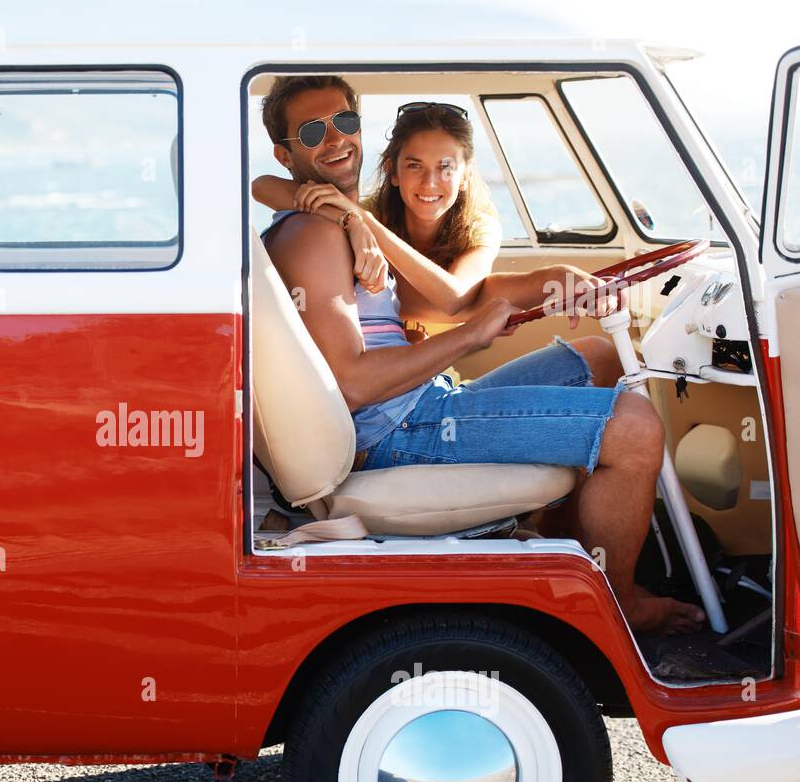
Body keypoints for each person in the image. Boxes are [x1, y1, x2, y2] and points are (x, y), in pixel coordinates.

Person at [256, 74, 704, 636]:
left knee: (594, 358)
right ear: (286, 150)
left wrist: (545, 280)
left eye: (345, 122)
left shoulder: (328, 219)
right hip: (396, 429)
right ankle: (618, 606)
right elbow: (352, 385)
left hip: (418, 405)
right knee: (634, 426)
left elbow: (449, 294)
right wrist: (470, 337)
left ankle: (569, 552)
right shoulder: (316, 233)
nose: (336, 138)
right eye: (313, 130)